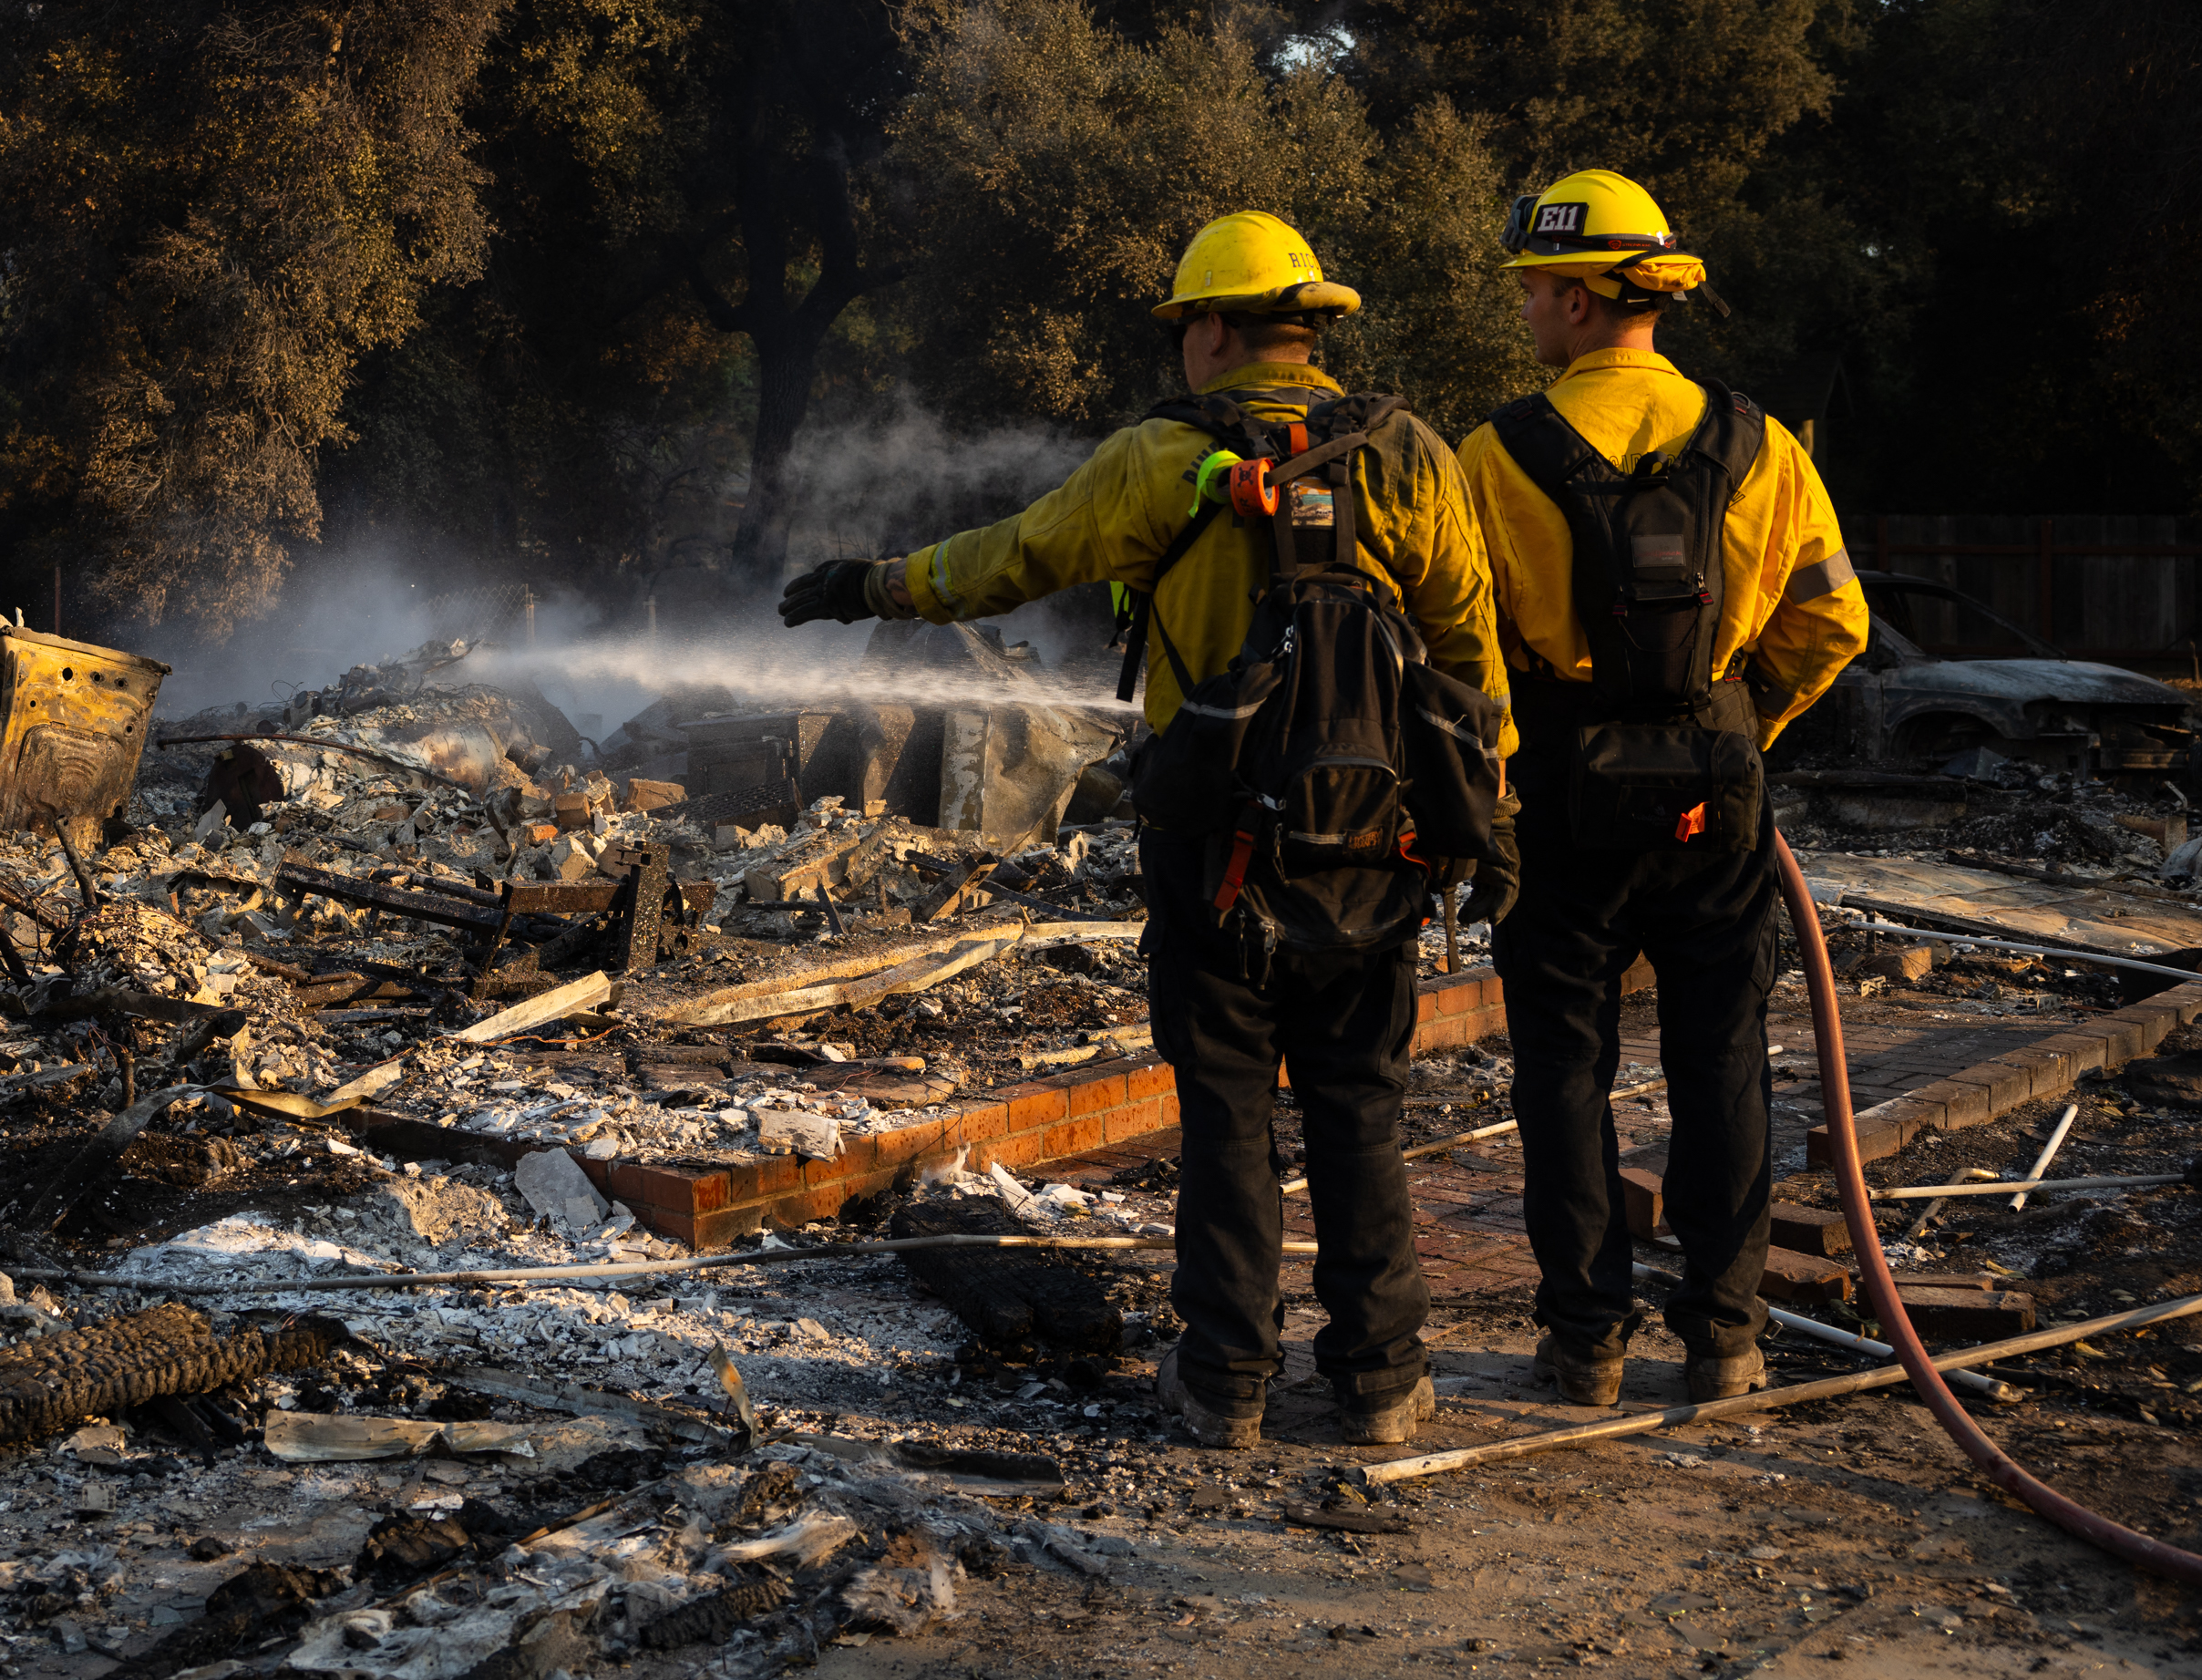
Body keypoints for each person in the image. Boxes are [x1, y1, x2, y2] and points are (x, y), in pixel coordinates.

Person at [778, 211, 1510, 1449]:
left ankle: (1226, 1378)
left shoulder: (1158, 459)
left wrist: (873, 587)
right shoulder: (1413, 456)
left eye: (1184, 327)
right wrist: (1483, 818)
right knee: (1360, 1105)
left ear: (1217, 328)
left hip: (1215, 847)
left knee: (1226, 1108)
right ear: (1314, 326)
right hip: (1374, 853)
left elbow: (1009, 563)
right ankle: (1383, 1380)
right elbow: (1471, 655)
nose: (1181, 349)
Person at [1457, 169, 1867, 1408]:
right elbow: (1835, 621)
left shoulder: (1491, 454)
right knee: (1721, 1058)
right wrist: (1746, 724)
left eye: (1536, 289)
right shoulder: (1767, 447)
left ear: (1582, 299)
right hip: (1718, 794)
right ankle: (1724, 1338)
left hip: (1560, 800)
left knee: (1563, 1067)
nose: (1527, 309)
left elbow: (1455, 649)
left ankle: (1585, 1341)